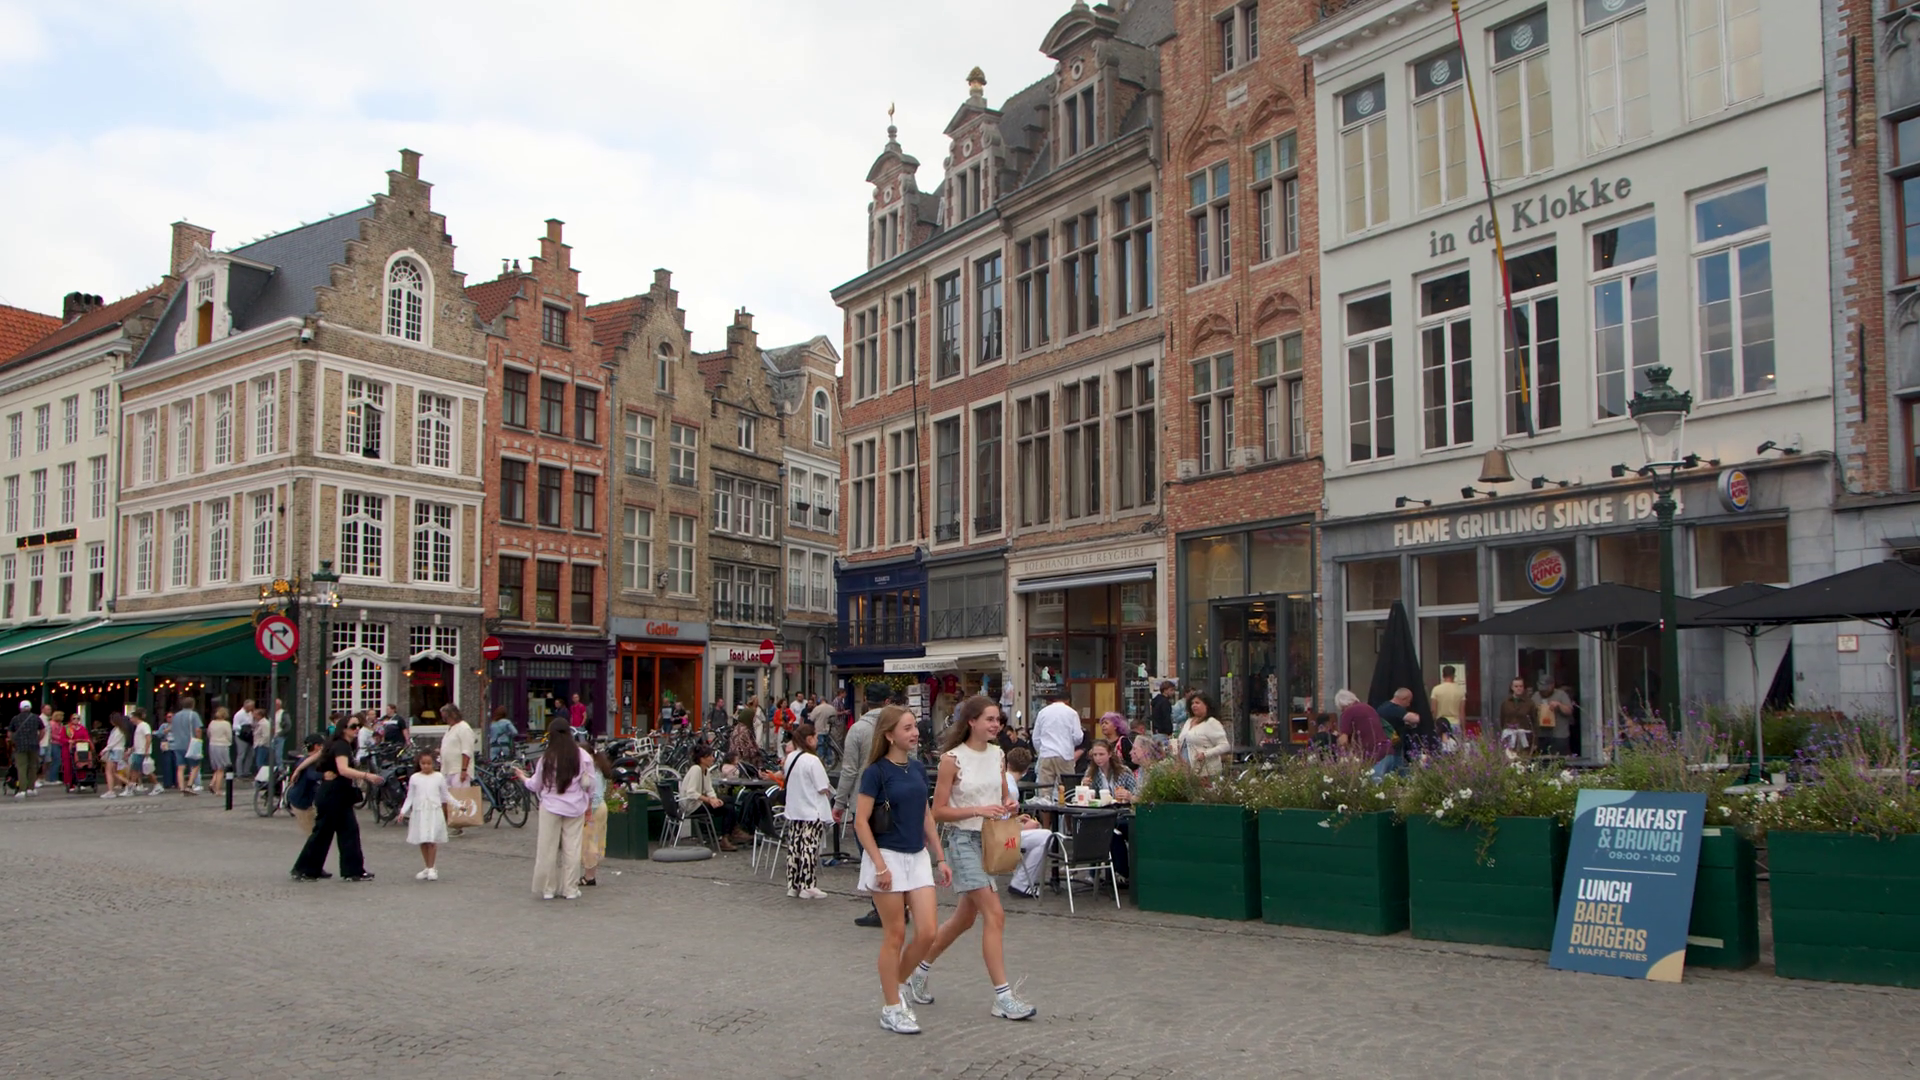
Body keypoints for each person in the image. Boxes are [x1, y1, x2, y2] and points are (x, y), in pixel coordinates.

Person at [904, 695, 1035, 1022]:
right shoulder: (952, 759)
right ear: (972, 721)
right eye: (990, 719)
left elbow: (1002, 796)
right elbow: (938, 811)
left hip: (991, 840)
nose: (996, 725)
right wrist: (978, 809)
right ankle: (1002, 997)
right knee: (996, 914)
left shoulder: (998, 755)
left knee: (965, 919)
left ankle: (917, 971)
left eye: (998, 720)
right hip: (963, 841)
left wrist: (1009, 805)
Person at [853, 704, 951, 1035]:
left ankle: (896, 986)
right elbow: (861, 821)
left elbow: (925, 815)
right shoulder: (876, 772)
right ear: (889, 734)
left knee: (927, 932)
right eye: (907, 728)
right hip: (887, 856)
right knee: (895, 934)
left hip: (918, 855)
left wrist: (940, 855)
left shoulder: (918, 768)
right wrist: (879, 864)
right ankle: (892, 1006)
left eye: (914, 727)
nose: (915, 733)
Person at [290, 716, 384, 881]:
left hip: (339, 795)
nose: (356, 729)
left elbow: (316, 756)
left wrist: (299, 769)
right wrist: (367, 775)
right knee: (323, 833)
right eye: (353, 726)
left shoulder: (337, 744)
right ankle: (305, 869)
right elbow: (343, 769)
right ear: (343, 728)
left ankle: (352, 871)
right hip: (333, 794)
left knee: (349, 831)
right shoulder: (341, 745)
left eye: (358, 726)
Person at [512, 722, 594, 900]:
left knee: (547, 848)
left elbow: (535, 785)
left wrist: (523, 778)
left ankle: (548, 888)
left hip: (550, 806)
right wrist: (589, 806)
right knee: (572, 848)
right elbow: (591, 785)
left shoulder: (547, 758)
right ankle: (570, 889)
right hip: (575, 805)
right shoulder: (583, 756)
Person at [836, 681, 892, 927]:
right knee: (895, 854)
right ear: (888, 702)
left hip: (865, 801)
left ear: (866, 701)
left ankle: (880, 909)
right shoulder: (900, 725)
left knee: (871, 856)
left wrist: (839, 803)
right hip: (895, 798)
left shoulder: (857, 730)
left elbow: (848, 770)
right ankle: (901, 906)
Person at [781, 722, 833, 899]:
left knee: (795, 847)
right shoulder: (813, 761)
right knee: (810, 848)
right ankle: (808, 885)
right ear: (809, 739)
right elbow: (822, 787)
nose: (818, 740)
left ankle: (793, 884)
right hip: (812, 810)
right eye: (816, 737)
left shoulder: (790, 758)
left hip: (795, 809)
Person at [397, 749, 457, 881]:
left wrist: (457, 804)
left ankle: (431, 868)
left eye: (429, 763)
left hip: (433, 811)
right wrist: (403, 811)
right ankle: (428, 866)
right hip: (420, 811)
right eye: (423, 763)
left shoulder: (439, 777)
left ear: (433, 764)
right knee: (423, 840)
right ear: (419, 764)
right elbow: (410, 797)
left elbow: (446, 794)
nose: (426, 766)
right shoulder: (414, 778)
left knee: (431, 840)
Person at [1001, 748, 1053, 900]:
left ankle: (1022, 879)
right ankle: (1021, 882)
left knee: (1039, 834)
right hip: (999, 839)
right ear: (1026, 769)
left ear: (1007, 763)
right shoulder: (1011, 789)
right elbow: (1001, 822)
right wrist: (1022, 826)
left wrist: (1018, 821)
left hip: (992, 833)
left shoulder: (1004, 780)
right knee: (1046, 836)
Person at [681, 744, 743, 850]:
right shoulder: (696, 769)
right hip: (692, 806)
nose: (713, 759)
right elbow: (691, 793)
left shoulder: (705, 771)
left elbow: (709, 789)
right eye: (710, 756)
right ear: (702, 759)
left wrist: (714, 799)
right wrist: (709, 800)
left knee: (728, 803)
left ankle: (729, 834)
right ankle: (729, 835)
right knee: (729, 806)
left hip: (698, 803)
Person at [1031, 688, 1083, 791]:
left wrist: (1041, 751)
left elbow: (1035, 737)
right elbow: (1078, 737)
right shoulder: (1072, 713)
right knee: (1067, 790)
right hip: (1065, 755)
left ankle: (1045, 806)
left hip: (1046, 754)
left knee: (1044, 791)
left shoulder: (1043, 712)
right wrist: (1070, 744)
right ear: (1068, 700)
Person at [1334, 689, 1393, 777]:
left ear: (1342, 705)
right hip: (1388, 752)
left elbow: (1344, 740)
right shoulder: (1368, 708)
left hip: (1373, 756)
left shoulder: (1348, 712)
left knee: (1373, 786)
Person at [1173, 694, 1230, 777]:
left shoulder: (1211, 722)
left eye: (1197, 703)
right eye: (1192, 703)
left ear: (1206, 705)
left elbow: (1225, 746)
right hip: (1186, 770)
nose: (1194, 706)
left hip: (1206, 771)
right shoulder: (1189, 721)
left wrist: (1205, 754)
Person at [580, 749, 613, 887]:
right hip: (602, 807)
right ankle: (590, 874)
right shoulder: (601, 768)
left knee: (588, 843)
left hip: (593, 808)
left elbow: (594, 793)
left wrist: (587, 811)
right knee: (596, 840)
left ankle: (589, 876)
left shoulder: (590, 771)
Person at [285, 733, 327, 834]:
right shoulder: (309, 762)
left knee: (317, 832)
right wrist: (324, 775)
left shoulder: (305, 759)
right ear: (317, 746)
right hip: (301, 803)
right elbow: (311, 775)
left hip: (304, 801)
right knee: (313, 835)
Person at [1374, 689, 1420, 774]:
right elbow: (1415, 719)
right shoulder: (1395, 709)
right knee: (1399, 769)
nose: (1409, 705)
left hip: (1384, 744)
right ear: (1403, 699)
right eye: (1408, 701)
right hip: (1394, 745)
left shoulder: (1383, 706)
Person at [1535, 675, 1576, 757]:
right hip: (1542, 735)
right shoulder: (1536, 696)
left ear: (1552, 685)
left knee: (1559, 761)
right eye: (1542, 689)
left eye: (1546, 689)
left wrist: (1559, 705)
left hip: (1559, 736)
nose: (1544, 691)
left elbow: (1569, 711)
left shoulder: (1561, 694)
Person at [169, 696, 202, 794]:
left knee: (180, 767)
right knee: (195, 766)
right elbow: (198, 729)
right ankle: (189, 785)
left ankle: (181, 787)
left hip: (177, 744)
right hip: (190, 744)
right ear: (193, 705)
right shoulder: (193, 715)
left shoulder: (176, 716)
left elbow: (172, 728)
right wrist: (199, 741)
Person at [1499, 677, 1538, 755]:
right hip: (1509, 737)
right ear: (1512, 688)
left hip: (1525, 739)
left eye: (1521, 686)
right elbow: (1502, 720)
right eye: (1516, 686)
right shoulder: (1506, 703)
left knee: (1523, 762)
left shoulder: (1530, 703)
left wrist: (1535, 742)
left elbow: (1535, 722)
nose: (1519, 688)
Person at [9, 701, 40, 797]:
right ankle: (31, 788)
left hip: (20, 746)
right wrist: (38, 739)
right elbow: (42, 730)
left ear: (20, 708)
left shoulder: (15, 718)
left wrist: (14, 741)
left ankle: (22, 790)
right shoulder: (36, 718)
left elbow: (10, 732)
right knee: (33, 767)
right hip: (34, 745)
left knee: (22, 767)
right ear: (30, 708)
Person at [204, 707, 234, 796]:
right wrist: (229, 742)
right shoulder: (226, 724)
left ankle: (212, 783)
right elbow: (229, 736)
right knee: (222, 768)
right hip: (222, 745)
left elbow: (208, 733)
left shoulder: (212, 723)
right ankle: (218, 790)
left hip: (212, 745)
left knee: (217, 767)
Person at [1429, 667, 1466, 739]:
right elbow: (1462, 712)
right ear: (1453, 675)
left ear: (1443, 675)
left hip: (1440, 724)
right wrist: (1463, 729)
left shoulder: (1436, 689)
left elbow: (1433, 710)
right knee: (1456, 748)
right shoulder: (1460, 690)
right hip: (1455, 723)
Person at [100, 714, 131, 798]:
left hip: (115, 751)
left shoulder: (118, 730)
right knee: (113, 772)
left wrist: (104, 750)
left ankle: (111, 791)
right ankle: (130, 784)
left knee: (109, 771)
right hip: (117, 751)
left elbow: (113, 742)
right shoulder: (120, 730)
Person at [232, 699, 256, 780]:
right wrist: (243, 729)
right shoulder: (239, 714)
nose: (252, 708)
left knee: (250, 754)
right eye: (251, 706)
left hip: (249, 737)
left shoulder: (250, 714)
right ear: (246, 706)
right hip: (241, 737)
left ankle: (246, 771)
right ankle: (239, 773)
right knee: (241, 755)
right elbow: (235, 726)